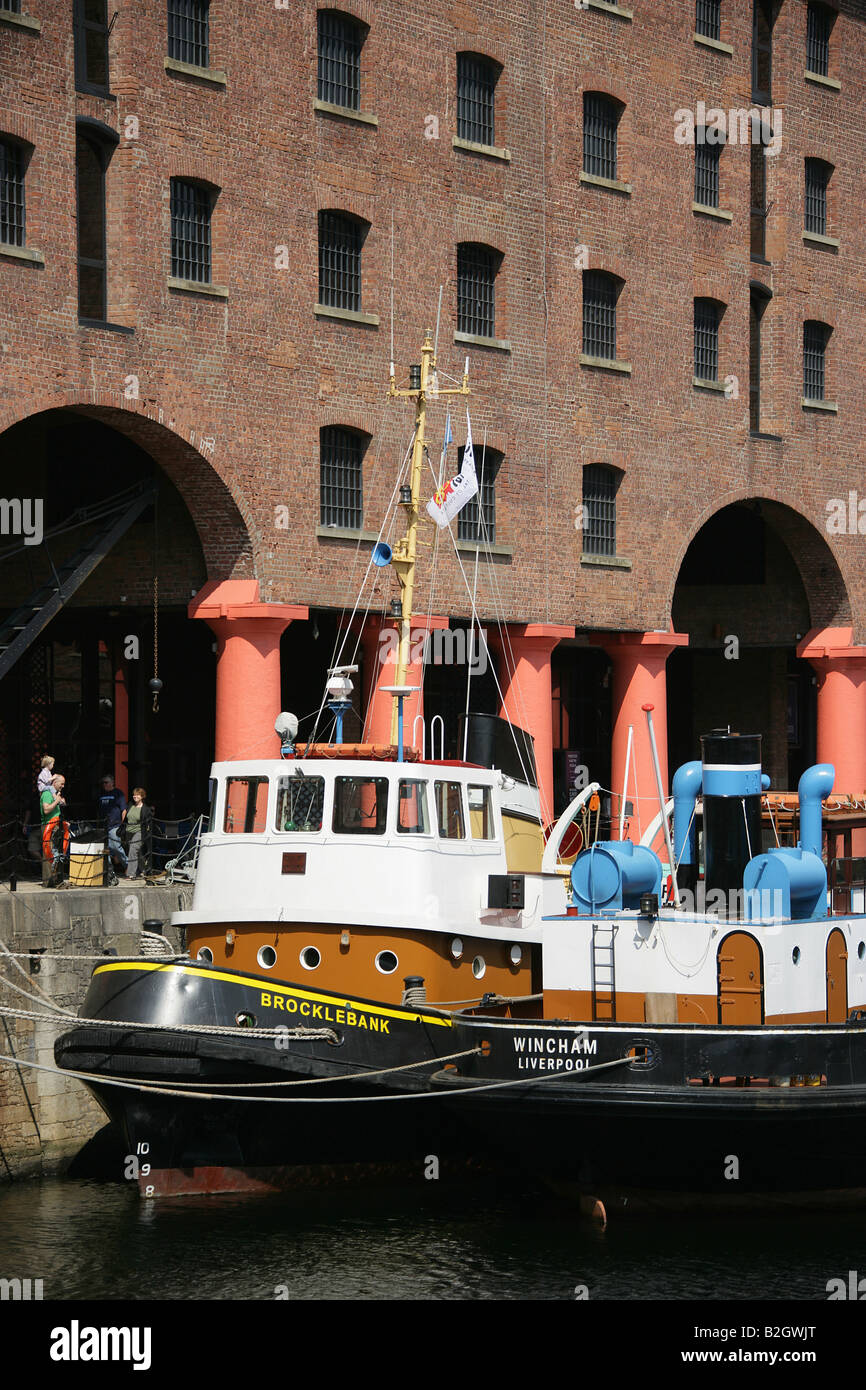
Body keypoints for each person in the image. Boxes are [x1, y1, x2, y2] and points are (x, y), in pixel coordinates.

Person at [40, 773, 69, 887]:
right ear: (55, 782)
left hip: (57, 826)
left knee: (57, 853)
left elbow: (57, 812)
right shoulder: (47, 794)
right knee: (48, 854)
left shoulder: (55, 794)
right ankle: (49, 882)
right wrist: (57, 801)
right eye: (61, 784)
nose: (63, 786)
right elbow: (46, 810)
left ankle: (56, 879)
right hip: (48, 826)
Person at [97, 774, 128, 876]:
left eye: (106, 782)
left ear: (112, 783)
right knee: (105, 849)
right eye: (103, 783)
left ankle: (128, 866)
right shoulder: (101, 794)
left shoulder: (118, 793)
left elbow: (123, 809)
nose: (104, 785)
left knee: (116, 847)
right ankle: (109, 871)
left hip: (115, 825)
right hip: (103, 826)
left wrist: (123, 825)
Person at [122, 787, 153, 880]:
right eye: (134, 794)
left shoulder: (145, 809)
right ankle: (144, 870)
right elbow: (126, 816)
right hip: (128, 831)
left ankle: (131, 874)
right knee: (136, 852)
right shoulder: (130, 805)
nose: (135, 796)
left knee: (133, 849)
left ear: (142, 796)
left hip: (139, 832)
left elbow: (148, 823)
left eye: (137, 794)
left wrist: (147, 834)